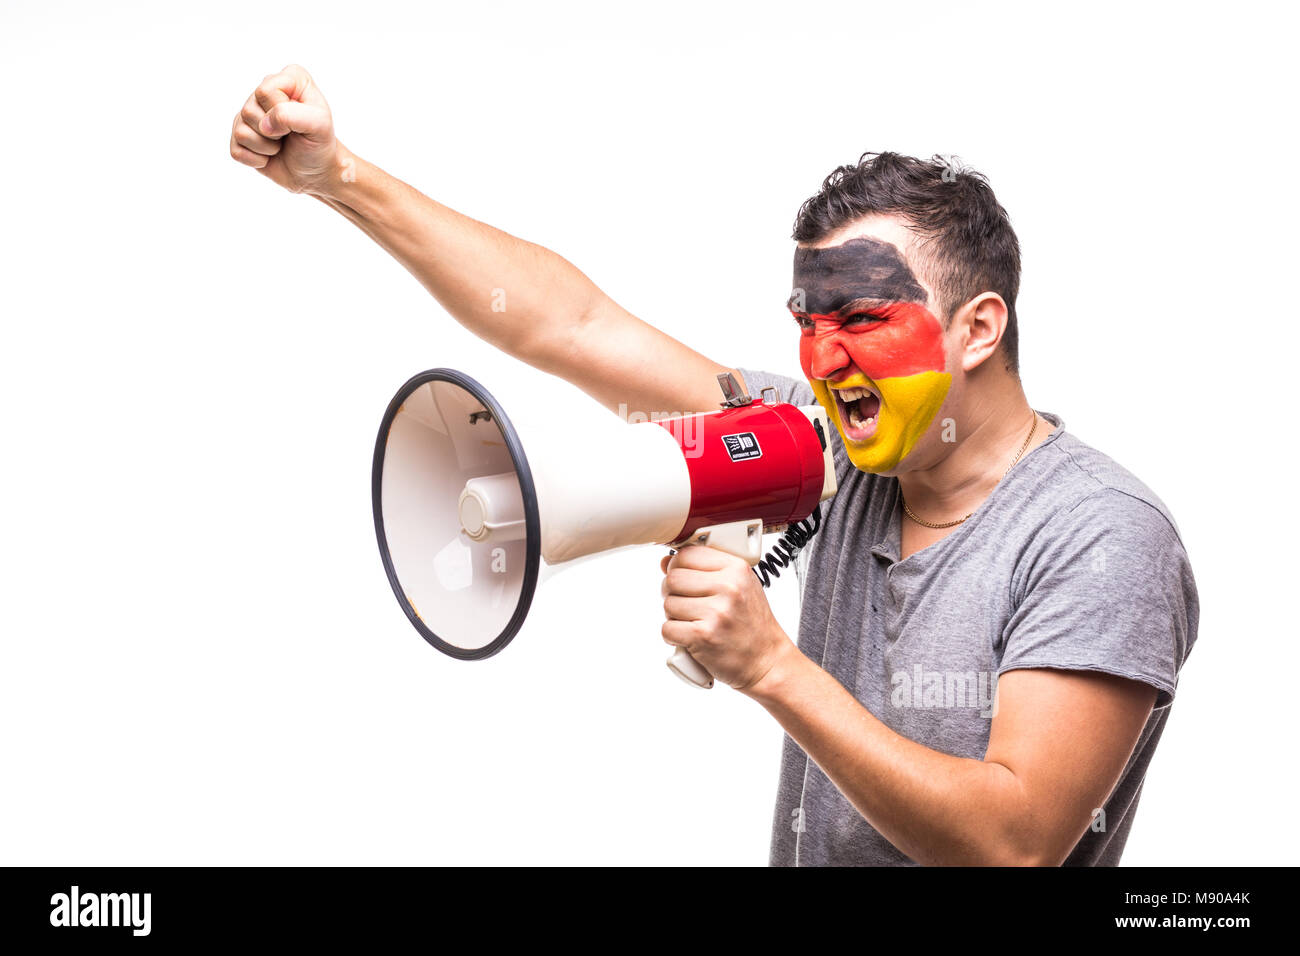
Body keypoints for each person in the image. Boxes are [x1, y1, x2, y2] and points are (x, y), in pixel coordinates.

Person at [230, 65, 1199, 866]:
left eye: (861, 317)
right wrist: (337, 177)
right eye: (807, 323)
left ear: (977, 326)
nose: (823, 360)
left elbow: (1015, 840)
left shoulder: (1101, 533)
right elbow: (570, 325)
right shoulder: (827, 444)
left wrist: (773, 667)